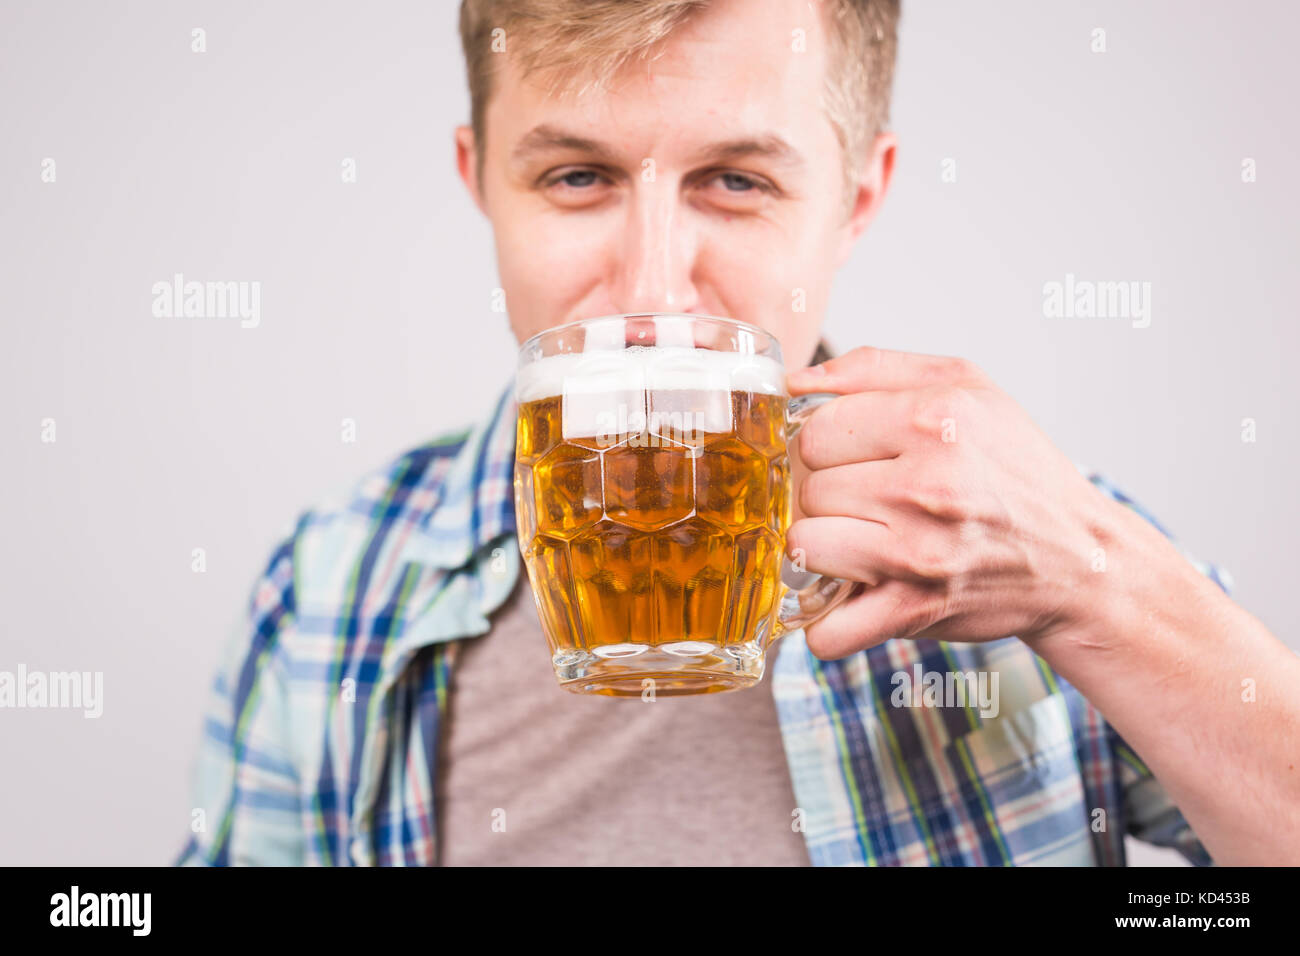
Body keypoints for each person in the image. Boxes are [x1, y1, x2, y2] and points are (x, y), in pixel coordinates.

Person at [175, 0, 1299, 866]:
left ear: (858, 196)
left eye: (735, 179)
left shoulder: (1034, 551)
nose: (653, 287)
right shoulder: (328, 586)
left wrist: (1101, 584)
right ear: (481, 185)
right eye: (575, 175)